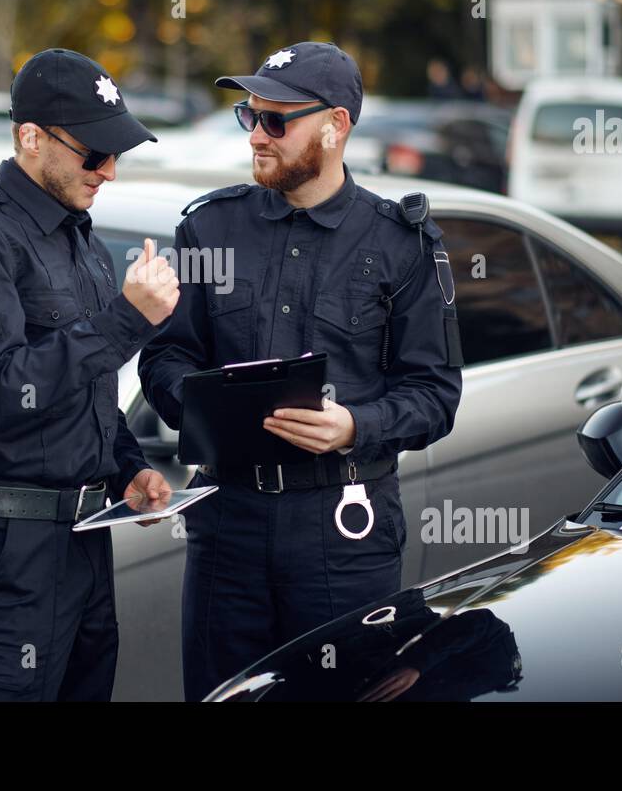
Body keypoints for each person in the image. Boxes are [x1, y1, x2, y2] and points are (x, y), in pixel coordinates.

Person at [138, 40, 464, 701]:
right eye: (249, 117)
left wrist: (354, 426)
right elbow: (166, 356)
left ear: (335, 126)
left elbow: (436, 394)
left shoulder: (399, 243)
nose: (256, 136)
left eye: (275, 121)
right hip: (226, 523)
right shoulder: (210, 228)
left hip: (344, 532)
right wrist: (200, 407)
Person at [0, 47, 178, 701]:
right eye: (94, 153)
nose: (110, 171)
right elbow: (3, 390)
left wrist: (128, 468)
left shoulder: (76, 237)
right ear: (31, 138)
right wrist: (126, 320)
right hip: (6, 552)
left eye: (118, 153)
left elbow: (85, 393)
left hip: (84, 540)